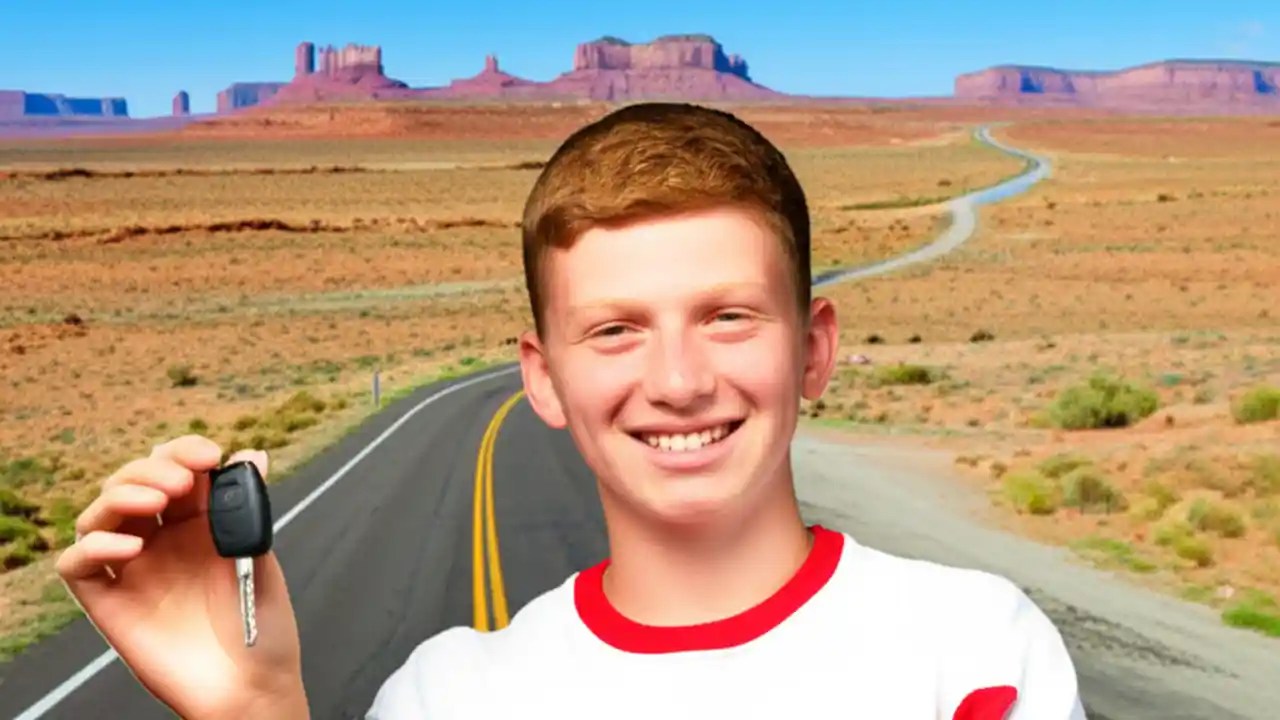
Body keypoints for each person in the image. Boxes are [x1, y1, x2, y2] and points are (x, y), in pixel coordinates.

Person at [57, 102, 1087, 719]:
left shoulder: (973, 653)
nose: (678, 380)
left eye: (726, 316)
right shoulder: (448, 699)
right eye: (614, 331)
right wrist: (254, 710)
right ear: (541, 377)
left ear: (812, 349)